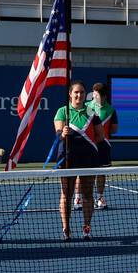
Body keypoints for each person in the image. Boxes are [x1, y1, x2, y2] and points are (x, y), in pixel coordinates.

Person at [54, 80, 101, 240]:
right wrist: (63, 133)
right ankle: (66, 228)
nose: (79, 95)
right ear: (70, 94)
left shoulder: (92, 113)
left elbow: (100, 136)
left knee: (88, 194)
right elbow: (58, 132)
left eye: (82, 92)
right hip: (67, 160)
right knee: (67, 195)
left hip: (89, 159)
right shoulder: (62, 111)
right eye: (76, 92)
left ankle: (86, 228)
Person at [87, 81, 117, 210]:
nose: (94, 97)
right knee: (82, 172)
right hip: (88, 145)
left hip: (104, 146)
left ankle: (99, 198)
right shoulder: (87, 107)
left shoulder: (111, 110)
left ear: (104, 96)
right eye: (93, 94)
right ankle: (78, 197)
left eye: (97, 95)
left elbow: (114, 129)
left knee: (101, 172)